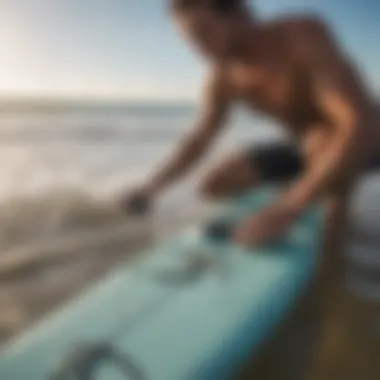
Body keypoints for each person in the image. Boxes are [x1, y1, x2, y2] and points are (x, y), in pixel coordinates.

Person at [122, 1, 380, 378]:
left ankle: (325, 289)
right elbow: (199, 139)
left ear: (241, 14)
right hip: (302, 147)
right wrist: (150, 188)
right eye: (190, 40)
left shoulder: (301, 35)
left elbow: (356, 121)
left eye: (205, 33)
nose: (200, 48)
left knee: (327, 159)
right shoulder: (223, 77)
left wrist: (291, 206)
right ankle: (300, 192)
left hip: (362, 140)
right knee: (214, 184)